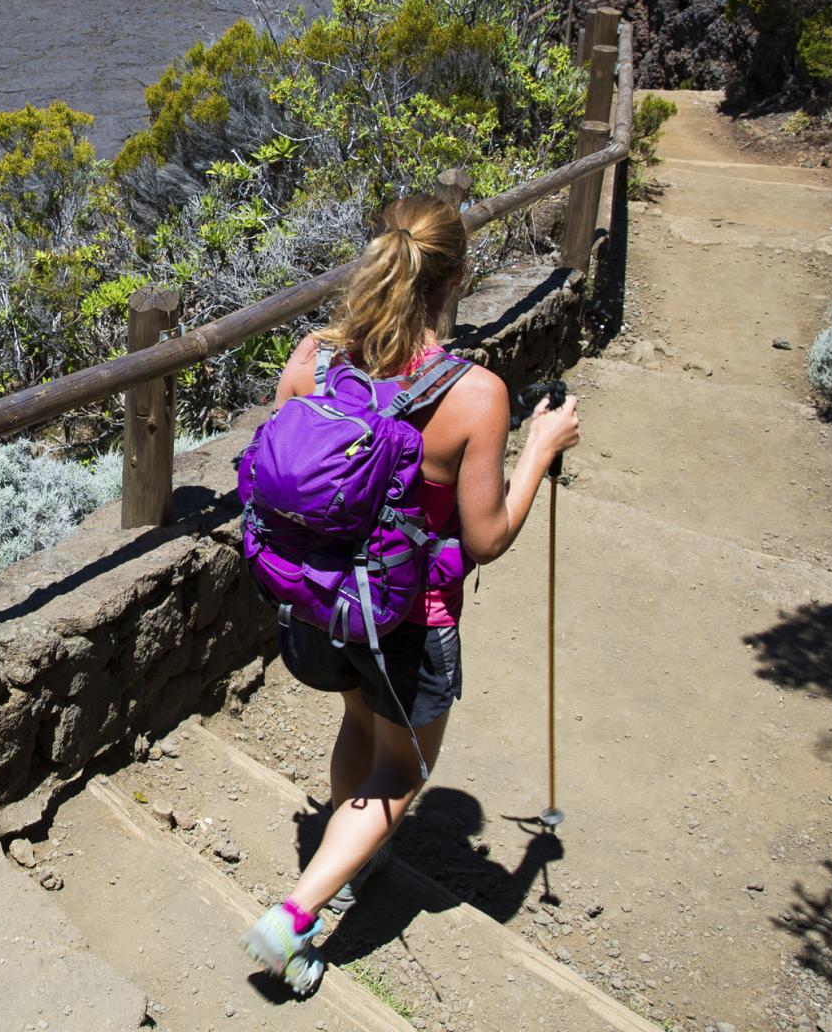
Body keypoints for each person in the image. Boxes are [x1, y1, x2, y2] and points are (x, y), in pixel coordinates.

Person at [241, 194, 581, 995]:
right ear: (459, 276)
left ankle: (350, 850)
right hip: (405, 620)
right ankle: (292, 918)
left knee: (358, 720)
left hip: (316, 608)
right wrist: (541, 449)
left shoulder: (314, 358)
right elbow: (486, 537)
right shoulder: (473, 394)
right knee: (401, 773)